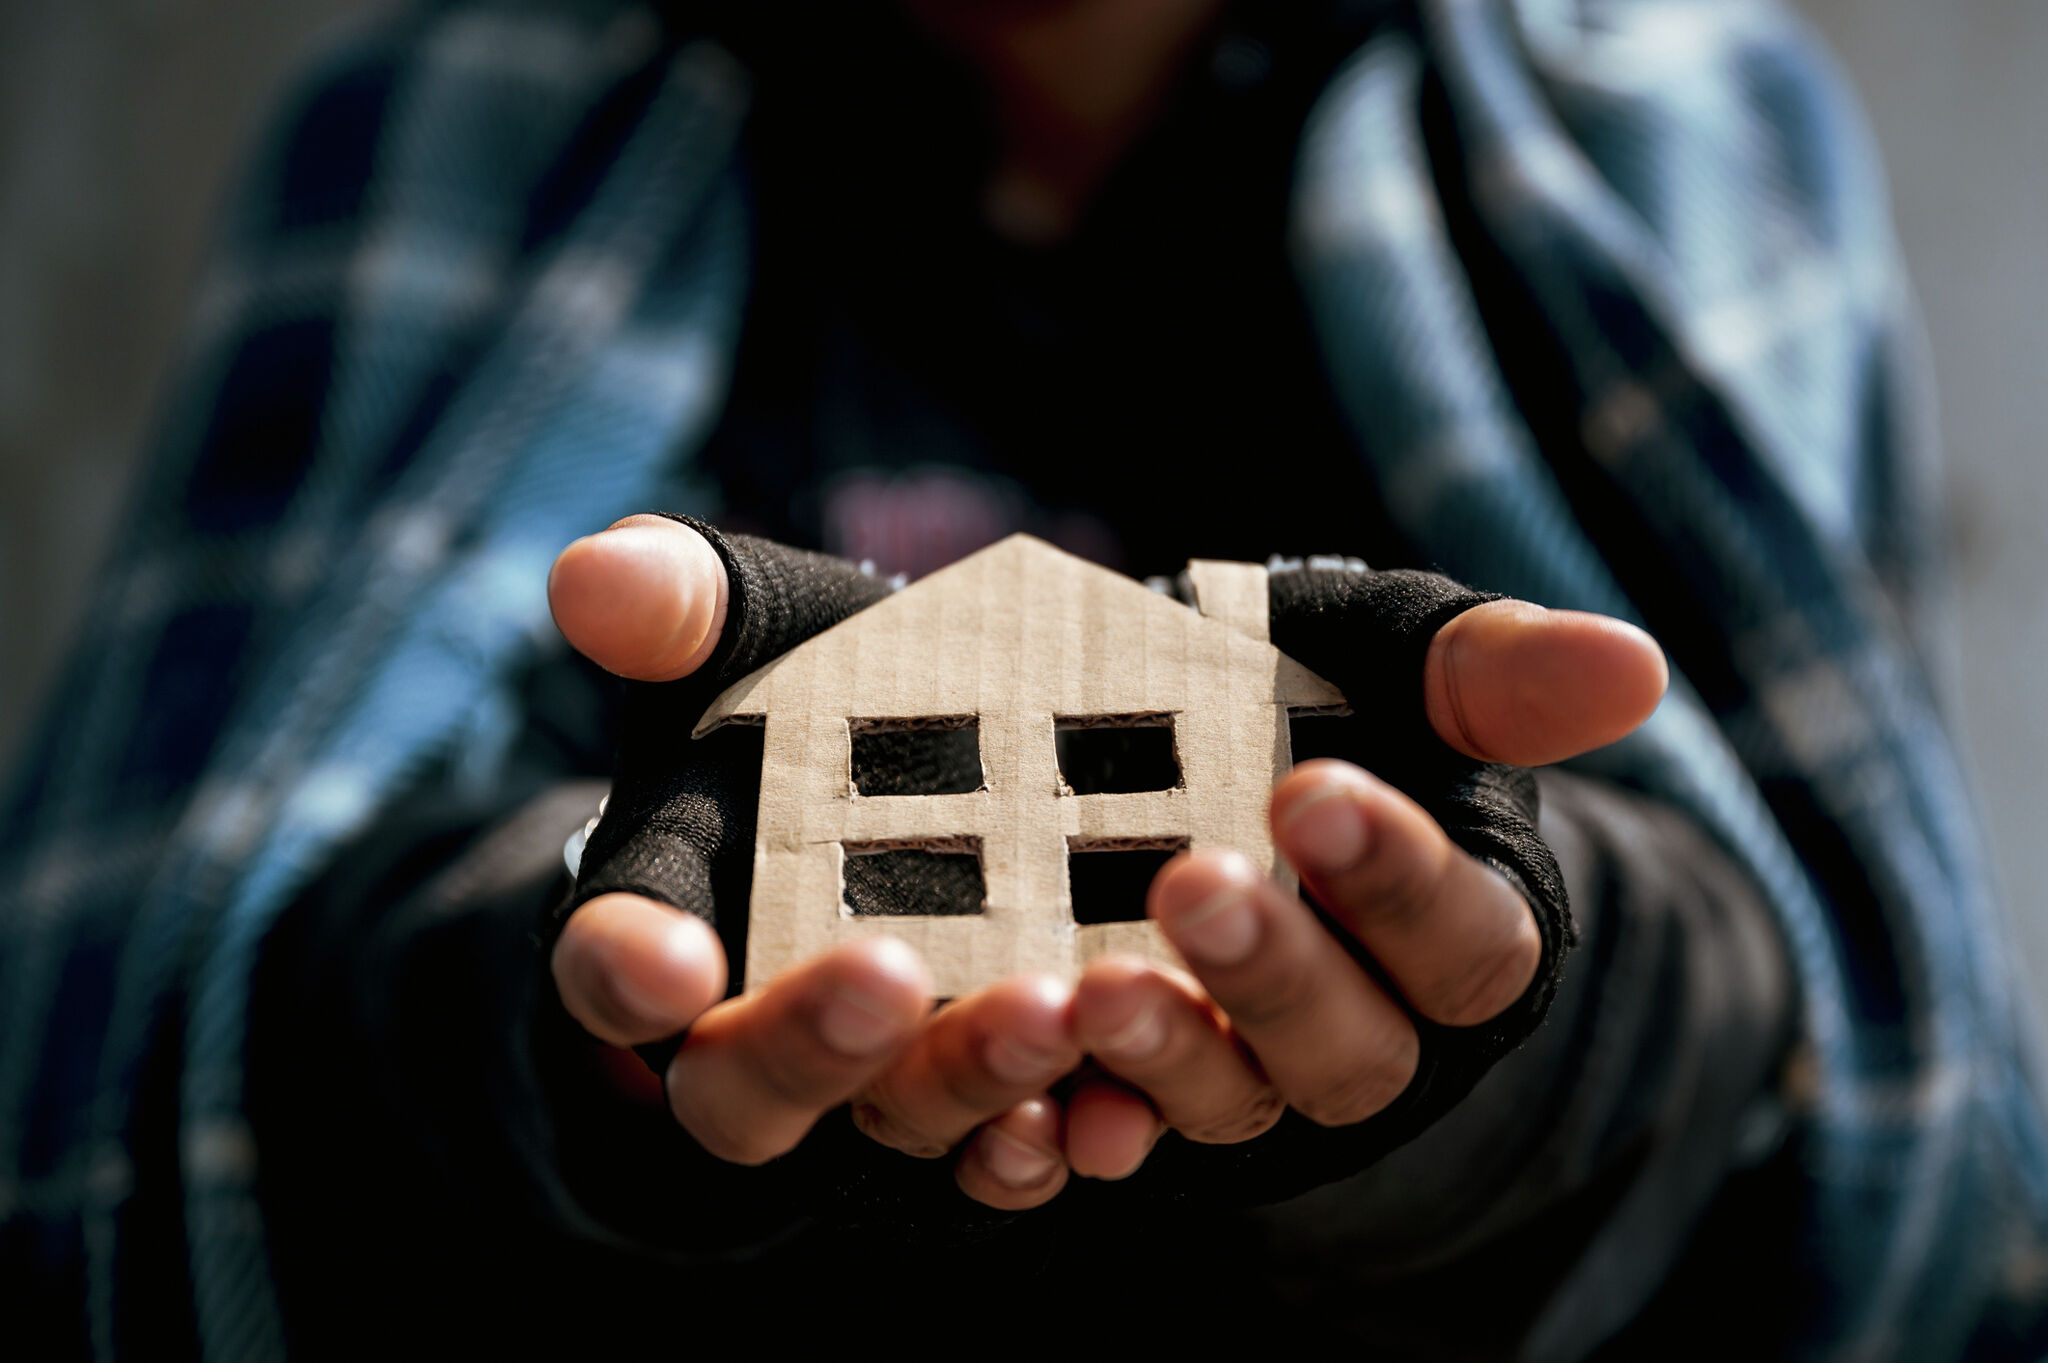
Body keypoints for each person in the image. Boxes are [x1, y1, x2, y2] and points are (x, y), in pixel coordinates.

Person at [3, 0, 2044, 1358]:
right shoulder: (451, 119)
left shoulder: (1682, 129)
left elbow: (1829, 1001)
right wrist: (598, 1004)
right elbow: (193, 985)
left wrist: (1500, 987)